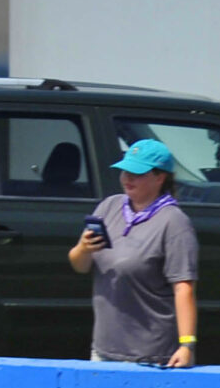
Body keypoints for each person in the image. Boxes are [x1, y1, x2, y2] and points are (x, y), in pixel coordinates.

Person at [69, 138, 199, 367]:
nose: (127, 178)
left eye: (137, 173)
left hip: (149, 356)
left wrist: (186, 345)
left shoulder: (174, 222)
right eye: (124, 171)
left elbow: (184, 288)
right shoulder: (109, 206)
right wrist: (83, 249)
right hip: (103, 350)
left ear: (160, 177)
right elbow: (80, 265)